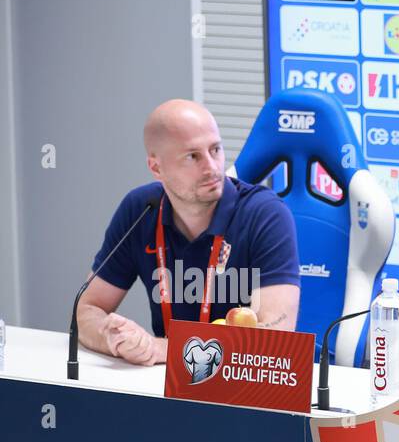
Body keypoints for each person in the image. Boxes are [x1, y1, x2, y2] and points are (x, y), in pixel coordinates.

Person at [77, 100, 300, 365]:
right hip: (168, 384)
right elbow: (87, 310)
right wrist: (115, 339)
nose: (212, 167)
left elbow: (275, 341)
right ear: (156, 167)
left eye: (215, 149)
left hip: (250, 389)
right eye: (192, 156)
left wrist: (163, 349)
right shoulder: (141, 209)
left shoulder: (265, 214)